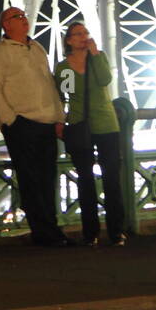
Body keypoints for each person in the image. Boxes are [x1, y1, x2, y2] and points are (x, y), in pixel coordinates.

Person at [0, 6, 75, 247]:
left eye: (24, 15)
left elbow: (49, 85)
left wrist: (58, 117)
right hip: (23, 125)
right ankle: (43, 233)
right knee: (32, 180)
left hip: (46, 124)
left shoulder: (38, 49)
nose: (24, 19)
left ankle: (52, 230)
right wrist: (12, 120)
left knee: (47, 179)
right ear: (6, 25)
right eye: (17, 17)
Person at [54, 22, 127, 247]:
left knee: (112, 179)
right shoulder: (63, 68)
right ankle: (90, 232)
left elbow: (106, 80)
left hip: (107, 124)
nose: (83, 37)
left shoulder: (99, 58)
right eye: (78, 34)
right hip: (79, 125)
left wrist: (95, 54)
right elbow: (64, 95)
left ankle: (116, 232)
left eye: (86, 33)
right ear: (69, 40)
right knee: (85, 180)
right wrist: (60, 120)